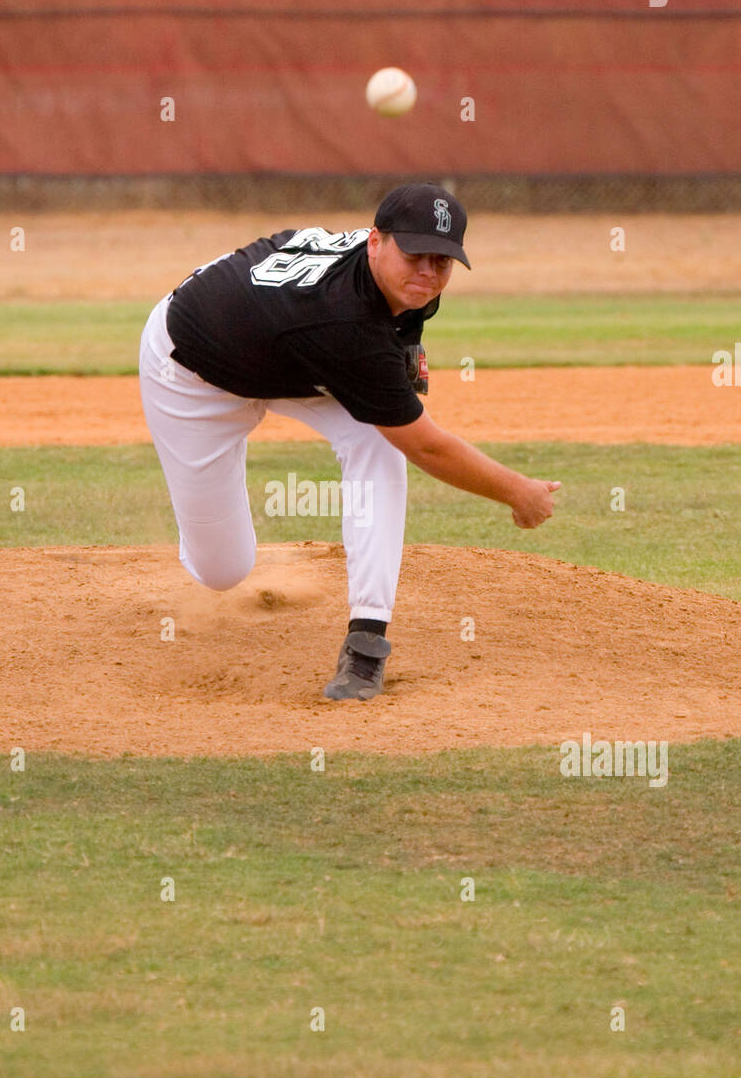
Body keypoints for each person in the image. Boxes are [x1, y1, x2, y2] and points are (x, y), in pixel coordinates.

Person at [139, 182, 560, 701]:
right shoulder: (344, 321)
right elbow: (427, 446)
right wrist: (518, 491)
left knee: (379, 438)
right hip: (192, 373)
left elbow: (395, 349)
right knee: (223, 571)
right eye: (415, 255)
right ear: (376, 243)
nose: (429, 272)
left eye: (443, 260)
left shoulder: (404, 284)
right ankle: (197, 525)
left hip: (291, 352)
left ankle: (366, 643)